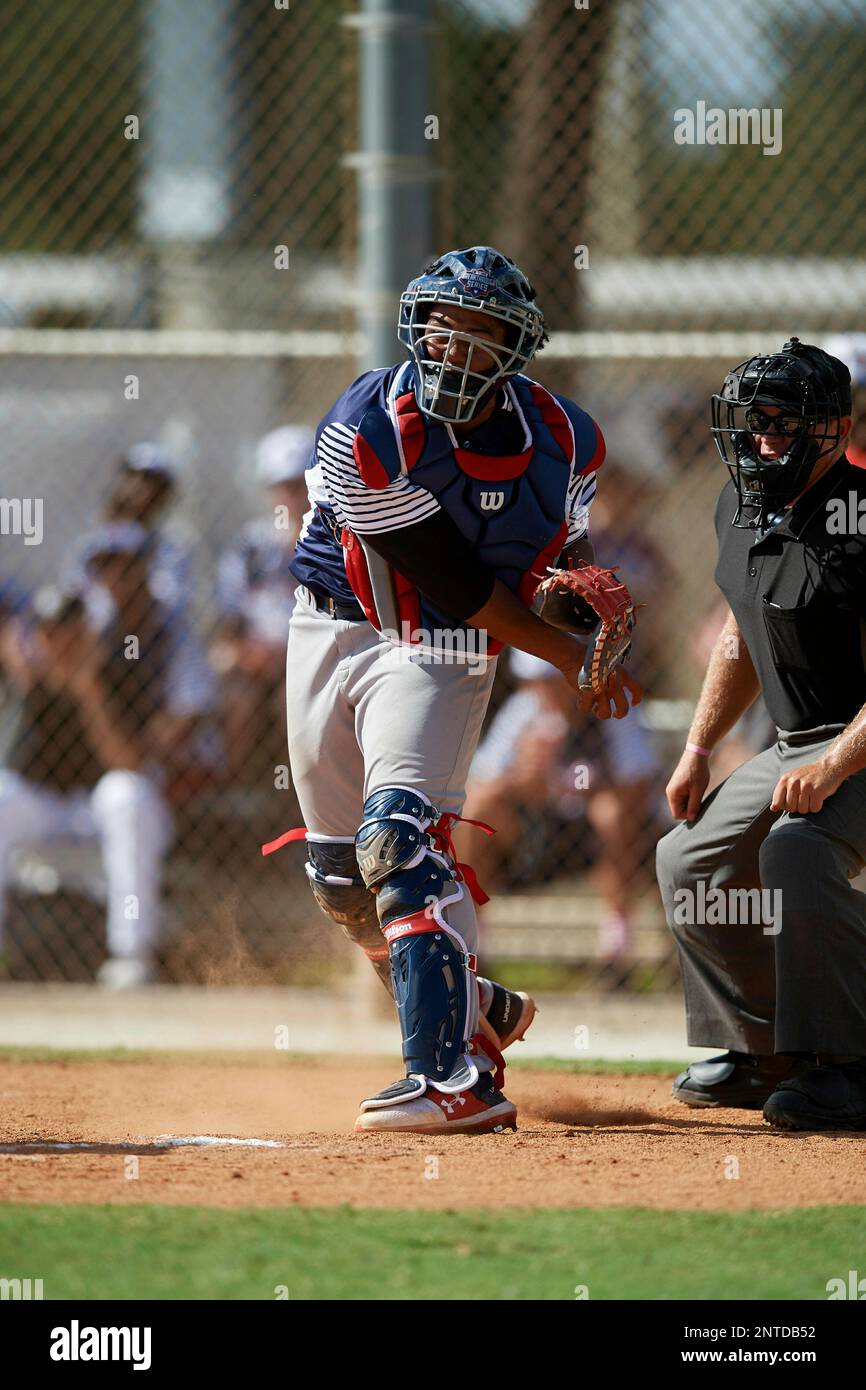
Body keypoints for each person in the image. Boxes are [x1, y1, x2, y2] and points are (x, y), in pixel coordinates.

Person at [267, 245, 642, 1134]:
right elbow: (443, 569)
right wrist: (556, 649)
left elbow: (545, 559)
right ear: (414, 326)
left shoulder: (567, 439)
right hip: (334, 618)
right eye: (442, 327)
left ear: (518, 349)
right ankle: (469, 1003)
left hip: (442, 647)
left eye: (483, 333)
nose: (456, 349)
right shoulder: (368, 421)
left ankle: (455, 1080)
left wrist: (578, 606)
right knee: (340, 882)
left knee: (397, 841)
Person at [656, 337, 866, 1130]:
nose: (765, 432)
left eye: (787, 419)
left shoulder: (860, 519)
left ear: (835, 430)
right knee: (688, 857)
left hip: (856, 740)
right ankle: (761, 1050)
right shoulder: (739, 504)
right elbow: (744, 636)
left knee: (798, 849)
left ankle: (849, 1065)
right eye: (755, 417)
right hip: (792, 741)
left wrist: (838, 765)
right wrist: (698, 749)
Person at [0, 523, 216, 988]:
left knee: (126, 795)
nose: (60, 643)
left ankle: (131, 955)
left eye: (68, 632)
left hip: (101, 803)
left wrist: (88, 691)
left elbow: (128, 762)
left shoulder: (125, 658)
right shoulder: (33, 662)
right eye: (50, 633)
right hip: (45, 803)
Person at [460, 647, 659, 973]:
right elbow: (482, 784)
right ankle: (475, 944)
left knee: (611, 811)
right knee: (479, 807)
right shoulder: (526, 710)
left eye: (551, 682)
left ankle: (616, 948)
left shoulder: (609, 706)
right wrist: (523, 780)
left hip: (593, 835)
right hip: (536, 831)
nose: (541, 692)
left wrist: (582, 789)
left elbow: (640, 782)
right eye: (533, 682)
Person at [211, 426, 314, 787]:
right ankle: (239, 796)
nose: (289, 497)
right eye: (280, 487)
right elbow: (228, 625)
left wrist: (288, 656)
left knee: (298, 705)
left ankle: (302, 806)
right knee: (239, 702)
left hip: (313, 660)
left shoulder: (331, 543)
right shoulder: (250, 547)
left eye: (297, 486)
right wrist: (247, 653)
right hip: (256, 664)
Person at [63, 442, 195, 623]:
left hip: (147, 640)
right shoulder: (92, 543)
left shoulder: (171, 549)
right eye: (133, 476)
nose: (138, 486)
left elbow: (170, 604)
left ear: (163, 494)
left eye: (150, 481)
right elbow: (73, 593)